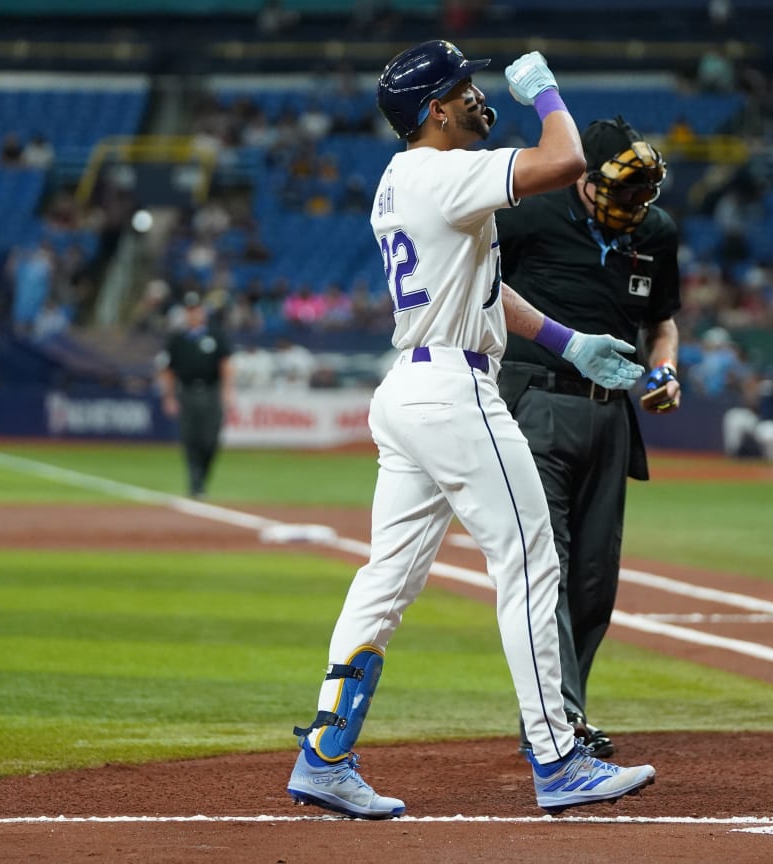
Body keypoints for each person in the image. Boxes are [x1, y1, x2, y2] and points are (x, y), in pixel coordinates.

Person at [285, 40, 656, 820]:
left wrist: (568, 342)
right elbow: (565, 159)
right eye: (465, 89)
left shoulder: (402, 180)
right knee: (529, 561)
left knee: (385, 579)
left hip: (413, 388)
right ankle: (557, 758)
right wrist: (545, 91)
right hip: (455, 392)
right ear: (433, 111)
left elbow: (488, 290)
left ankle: (325, 753)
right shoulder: (443, 171)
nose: (479, 98)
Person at [494, 114, 680, 759]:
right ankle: (558, 720)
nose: (635, 205)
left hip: (612, 415)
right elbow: (475, 280)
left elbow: (661, 321)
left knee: (595, 578)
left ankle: (561, 708)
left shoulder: (656, 233)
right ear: (584, 179)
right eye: (621, 191)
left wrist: (665, 368)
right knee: (550, 563)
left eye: (642, 193)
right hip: (536, 403)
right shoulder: (528, 215)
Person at [155, 292, 232, 500]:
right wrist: (169, 397)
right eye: (189, 310)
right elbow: (168, 371)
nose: (193, 314)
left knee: (210, 440)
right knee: (190, 440)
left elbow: (225, 365)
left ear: (202, 311)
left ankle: (202, 479)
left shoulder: (216, 336)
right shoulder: (177, 339)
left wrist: (227, 391)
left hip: (211, 391)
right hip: (187, 392)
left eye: (196, 309)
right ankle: (195, 485)